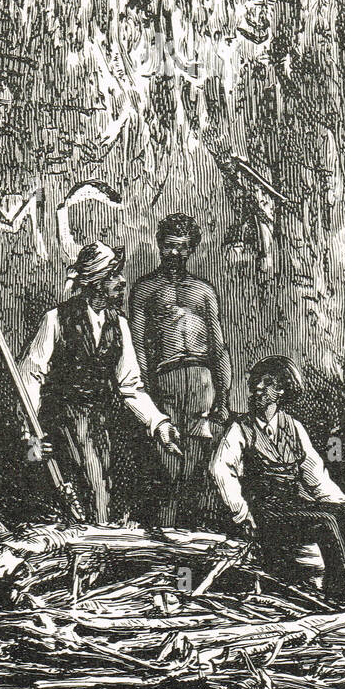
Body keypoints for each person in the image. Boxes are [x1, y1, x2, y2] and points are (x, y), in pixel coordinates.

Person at [16, 241, 182, 523]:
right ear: (95, 283)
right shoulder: (56, 319)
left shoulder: (119, 325)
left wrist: (159, 423)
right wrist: (30, 433)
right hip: (63, 424)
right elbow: (30, 377)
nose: (122, 281)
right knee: (88, 497)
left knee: (122, 491)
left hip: (104, 423)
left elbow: (130, 385)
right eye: (113, 276)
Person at [210, 355, 345, 605]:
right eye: (256, 382)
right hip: (265, 511)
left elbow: (315, 473)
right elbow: (221, 469)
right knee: (325, 522)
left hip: (296, 506)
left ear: (282, 390)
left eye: (268, 383)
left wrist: (341, 503)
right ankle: (344, 590)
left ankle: (336, 580)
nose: (258, 388)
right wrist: (242, 514)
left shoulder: (294, 427)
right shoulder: (240, 428)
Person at [129, 213, 231, 526]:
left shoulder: (204, 291)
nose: (176, 253)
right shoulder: (145, 290)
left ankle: (197, 542)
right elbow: (137, 347)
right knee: (168, 467)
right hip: (166, 380)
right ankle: (168, 540)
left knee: (199, 469)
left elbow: (218, 346)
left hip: (202, 382)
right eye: (170, 246)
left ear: (191, 249)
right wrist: (148, 395)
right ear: (160, 245)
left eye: (183, 247)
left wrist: (222, 396)